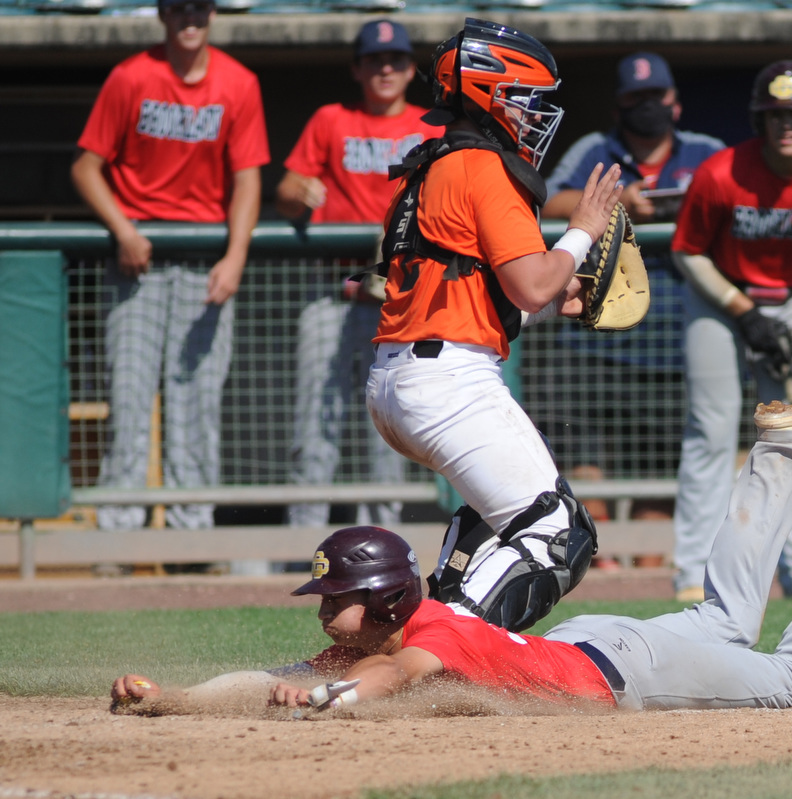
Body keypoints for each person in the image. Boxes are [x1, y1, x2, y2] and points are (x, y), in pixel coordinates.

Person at [112, 398, 792, 714]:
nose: (322, 606)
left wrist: (322, 699)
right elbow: (270, 678)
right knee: (726, 619)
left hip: (623, 670)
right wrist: (172, 699)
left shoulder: (420, 641)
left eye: (334, 596)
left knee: (791, 678)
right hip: (592, 647)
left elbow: (395, 678)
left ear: (382, 600)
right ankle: (784, 448)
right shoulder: (381, 635)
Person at [364, 17, 623, 634]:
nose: (535, 113)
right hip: (448, 383)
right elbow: (531, 282)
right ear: (489, 94)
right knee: (559, 534)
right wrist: (582, 232)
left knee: (496, 522)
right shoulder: (485, 165)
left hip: (401, 381)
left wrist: (556, 295)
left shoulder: (429, 165)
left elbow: (484, 295)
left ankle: (422, 632)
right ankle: (443, 654)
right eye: (525, 98)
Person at [70, 0, 268, 556]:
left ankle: (192, 541)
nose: (190, 18)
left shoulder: (239, 82)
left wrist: (236, 255)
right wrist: (123, 230)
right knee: (130, 396)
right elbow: (85, 166)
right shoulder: (132, 76)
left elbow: (248, 178)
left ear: (214, 13)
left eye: (200, 7)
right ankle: (118, 540)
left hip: (205, 263)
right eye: (179, 7)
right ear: (161, 12)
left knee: (196, 405)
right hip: (139, 262)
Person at [669, 61, 792, 603]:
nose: (787, 125)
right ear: (760, 119)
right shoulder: (721, 173)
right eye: (776, 115)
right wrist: (744, 312)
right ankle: (692, 570)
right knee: (712, 428)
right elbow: (688, 252)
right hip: (721, 295)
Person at [275, 19, 440, 530]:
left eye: (395, 61)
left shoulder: (431, 127)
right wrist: (297, 193)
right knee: (314, 421)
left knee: (389, 423)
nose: (385, 69)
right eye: (374, 60)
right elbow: (286, 192)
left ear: (410, 70)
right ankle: (304, 537)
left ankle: (384, 542)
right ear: (357, 69)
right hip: (335, 289)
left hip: (400, 299)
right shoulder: (332, 119)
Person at [538, 52, 725, 481]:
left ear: (675, 102)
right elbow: (550, 203)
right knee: (583, 472)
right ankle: (593, 532)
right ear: (618, 105)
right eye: (636, 97)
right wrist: (619, 201)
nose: (647, 105)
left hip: (671, 346)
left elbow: (742, 200)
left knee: (654, 480)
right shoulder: (596, 149)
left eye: (656, 95)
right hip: (592, 341)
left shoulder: (706, 151)